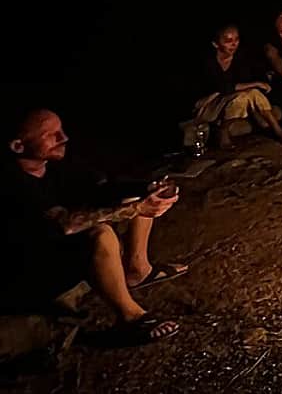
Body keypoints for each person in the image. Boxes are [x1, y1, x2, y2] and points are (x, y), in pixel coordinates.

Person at [0, 109, 186, 342]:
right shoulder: (10, 182)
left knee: (132, 199)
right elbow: (64, 224)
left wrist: (146, 189)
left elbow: (101, 190)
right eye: (52, 135)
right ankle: (131, 318)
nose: (63, 138)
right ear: (18, 146)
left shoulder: (54, 165)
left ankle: (138, 269)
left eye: (62, 131)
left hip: (53, 252)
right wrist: (135, 209)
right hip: (24, 274)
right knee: (101, 232)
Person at [195, 24, 282, 149]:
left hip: (231, 101)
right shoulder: (208, 62)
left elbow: (242, 83)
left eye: (236, 40)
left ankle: (277, 129)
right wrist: (255, 84)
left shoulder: (240, 58)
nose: (234, 44)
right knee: (244, 95)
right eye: (228, 41)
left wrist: (252, 85)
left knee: (251, 94)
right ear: (216, 44)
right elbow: (222, 87)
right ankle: (223, 130)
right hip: (209, 105)